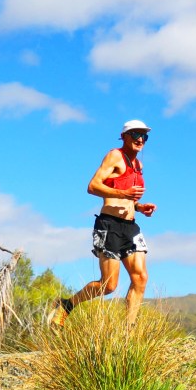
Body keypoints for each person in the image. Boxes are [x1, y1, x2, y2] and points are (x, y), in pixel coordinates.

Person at [53, 119, 156, 326]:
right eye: (136, 134)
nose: (140, 139)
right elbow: (92, 186)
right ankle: (67, 305)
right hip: (109, 225)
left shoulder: (138, 165)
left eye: (144, 135)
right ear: (124, 136)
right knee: (109, 285)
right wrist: (124, 193)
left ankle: (129, 332)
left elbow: (127, 198)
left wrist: (139, 207)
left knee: (140, 278)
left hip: (130, 226)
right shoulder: (115, 156)